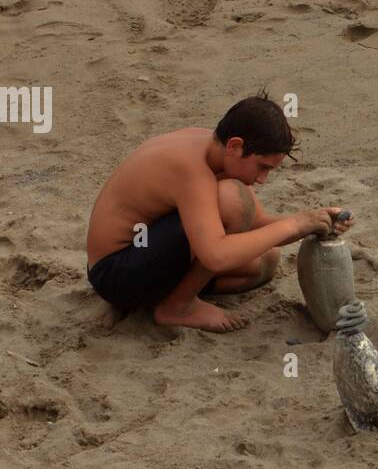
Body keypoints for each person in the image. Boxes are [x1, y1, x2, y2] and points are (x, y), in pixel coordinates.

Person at [85, 94, 351, 332]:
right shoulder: (191, 170)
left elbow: (259, 224)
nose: (262, 179)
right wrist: (295, 224)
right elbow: (216, 257)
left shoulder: (216, 148)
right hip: (116, 273)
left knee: (265, 260)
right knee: (232, 201)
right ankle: (177, 306)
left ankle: (164, 296)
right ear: (235, 146)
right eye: (262, 167)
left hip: (147, 252)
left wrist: (314, 220)